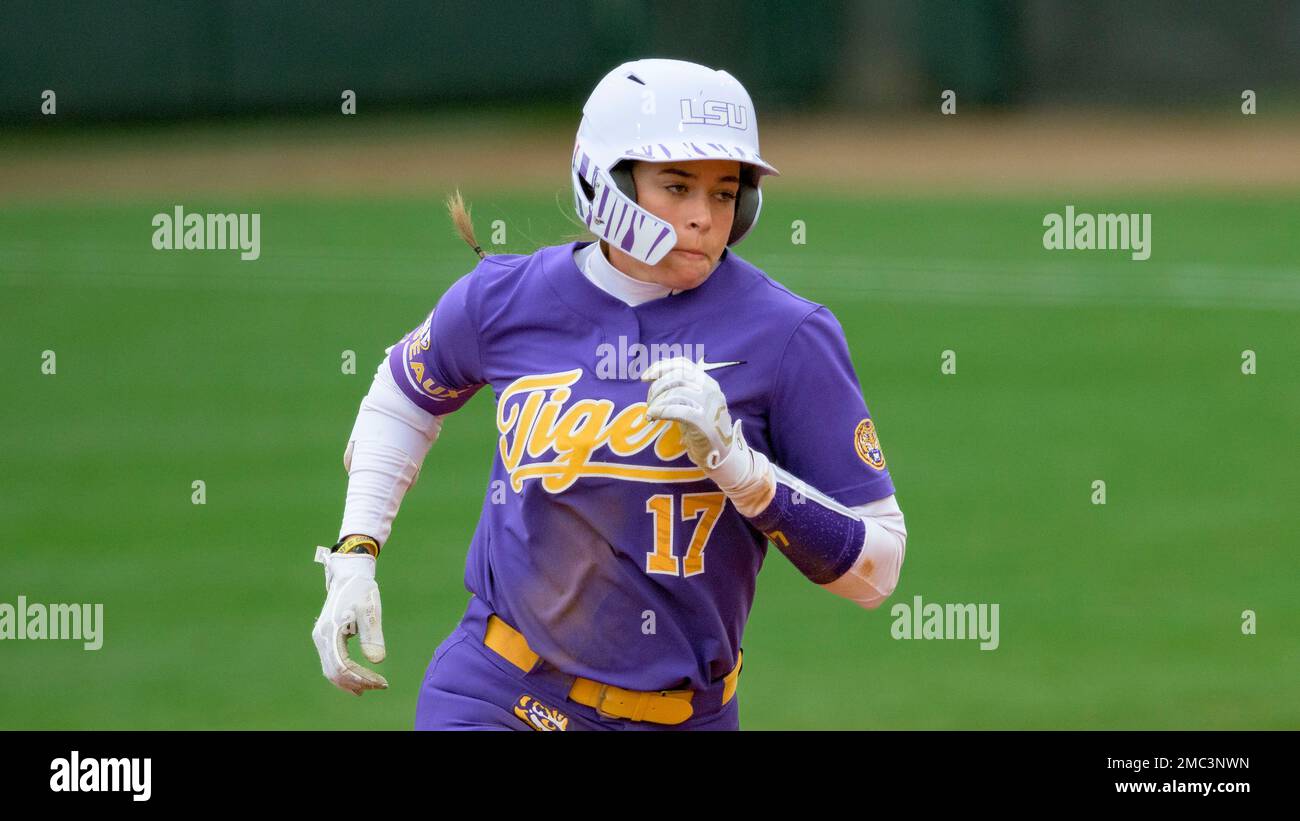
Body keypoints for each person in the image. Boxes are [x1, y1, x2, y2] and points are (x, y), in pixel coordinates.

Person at [311, 58, 908, 731]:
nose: (704, 217)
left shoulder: (787, 336)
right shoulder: (504, 299)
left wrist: (747, 477)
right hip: (497, 692)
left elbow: (877, 569)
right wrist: (355, 554)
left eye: (724, 191)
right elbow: (401, 394)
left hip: (688, 715)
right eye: (676, 185)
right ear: (605, 178)